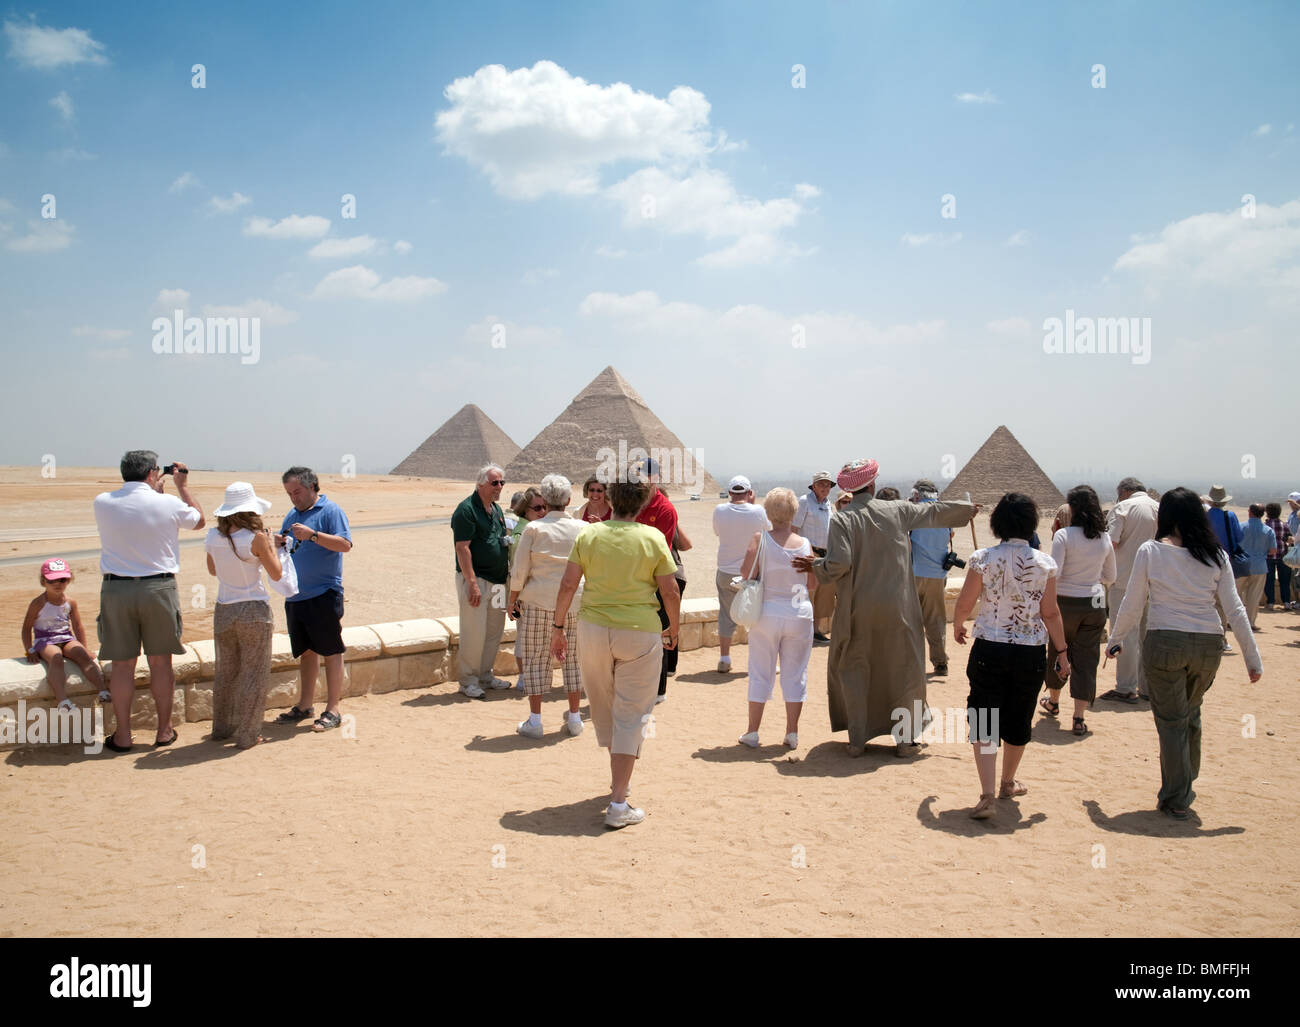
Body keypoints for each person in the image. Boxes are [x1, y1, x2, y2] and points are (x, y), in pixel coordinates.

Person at [792, 458, 975, 757]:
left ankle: (857, 739)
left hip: (858, 609)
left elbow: (839, 564)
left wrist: (816, 566)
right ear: (873, 483)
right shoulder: (898, 510)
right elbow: (932, 511)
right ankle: (905, 741)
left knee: (856, 667)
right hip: (898, 607)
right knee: (903, 669)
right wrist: (966, 510)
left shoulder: (842, 519)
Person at [1108, 487, 1263, 820]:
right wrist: (1252, 659)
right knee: (1191, 715)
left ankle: (1177, 796)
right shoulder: (1216, 555)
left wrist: (1116, 639)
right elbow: (1234, 609)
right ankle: (1184, 786)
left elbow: (1133, 603)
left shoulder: (1151, 551)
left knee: (1171, 722)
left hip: (1166, 642)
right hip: (1208, 645)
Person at [550, 478, 680, 829]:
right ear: (640, 505)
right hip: (639, 633)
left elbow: (567, 584)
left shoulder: (589, 535)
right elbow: (670, 590)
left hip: (592, 631)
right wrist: (674, 629)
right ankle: (619, 803)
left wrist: (558, 629)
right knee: (633, 713)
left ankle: (617, 783)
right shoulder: (652, 538)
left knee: (605, 709)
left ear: (608, 500)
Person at [953, 493, 1070, 819]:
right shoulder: (1045, 564)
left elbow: (966, 601)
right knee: (1020, 716)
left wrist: (959, 624)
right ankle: (1008, 782)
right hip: (1029, 652)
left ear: (998, 523)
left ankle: (987, 792)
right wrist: (1061, 652)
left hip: (989, 646)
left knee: (984, 716)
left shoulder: (982, 558)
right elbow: (1051, 613)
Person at [93, 451, 204, 752]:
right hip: (158, 588)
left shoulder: (102, 502)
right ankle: (164, 730)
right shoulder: (167, 503)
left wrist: (155, 492)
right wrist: (181, 487)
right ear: (152, 473)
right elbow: (198, 521)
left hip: (116, 590)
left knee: (122, 665)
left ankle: (123, 735)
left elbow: (135, 515)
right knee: (160, 662)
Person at [273, 467, 353, 732]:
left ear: (312, 487)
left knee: (331, 652)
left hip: (323, 593)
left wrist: (314, 535)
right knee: (306, 652)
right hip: (296, 594)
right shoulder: (292, 515)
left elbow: (344, 545)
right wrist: (278, 541)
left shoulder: (331, 511)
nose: (293, 498)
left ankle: (333, 709)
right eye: (289, 493)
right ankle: (305, 704)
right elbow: (289, 544)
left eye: (296, 491)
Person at [204, 482, 283, 749]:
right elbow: (276, 574)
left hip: (224, 608)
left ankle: (221, 728)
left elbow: (213, 570)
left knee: (225, 672)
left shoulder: (213, 537)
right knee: (254, 673)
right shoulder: (256, 538)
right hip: (253, 609)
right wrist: (269, 546)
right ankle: (248, 735)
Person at [736, 488, 816, 749]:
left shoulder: (760, 540)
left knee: (761, 671)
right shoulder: (805, 544)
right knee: (795, 674)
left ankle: (752, 731)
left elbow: (746, 572)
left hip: (767, 613)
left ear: (768, 512)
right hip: (799, 613)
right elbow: (813, 582)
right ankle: (792, 732)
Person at [508, 474, 585, 739]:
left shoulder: (534, 529)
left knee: (535, 660)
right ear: (568, 500)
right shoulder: (583, 528)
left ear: (546, 500)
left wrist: (511, 600)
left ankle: (535, 720)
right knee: (574, 660)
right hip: (575, 602)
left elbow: (519, 570)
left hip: (537, 602)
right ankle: (574, 719)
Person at [1039, 485, 1116, 737]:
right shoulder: (1104, 538)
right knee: (1086, 659)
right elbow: (1110, 576)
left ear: (1073, 508)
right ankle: (1079, 717)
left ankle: (1054, 702)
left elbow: (1055, 572)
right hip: (1094, 604)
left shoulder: (1063, 536)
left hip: (1064, 602)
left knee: (1058, 650)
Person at [452, 464, 513, 698]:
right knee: (473, 631)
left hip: (498, 581)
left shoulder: (496, 509)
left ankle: (485, 675)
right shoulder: (466, 510)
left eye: (502, 482)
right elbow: (462, 548)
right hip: (477, 579)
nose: (499, 487)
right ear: (480, 484)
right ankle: (468, 681)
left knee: (493, 632)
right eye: (495, 483)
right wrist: (472, 583)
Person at [1098, 476, 1160, 704]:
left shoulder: (1122, 508)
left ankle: (1125, 688)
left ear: (1124, 491)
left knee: (1124, 633)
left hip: (1125, 579)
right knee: (1148, 635)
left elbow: (1111, 543)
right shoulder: (1159, 508)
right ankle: (1147, 687)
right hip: (1155, 582)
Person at [634, 457, 688, 702]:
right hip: (632, 580)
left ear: (654, 477)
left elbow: (661, 550)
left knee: (659, 633)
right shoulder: (631, 503)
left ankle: (658, 690)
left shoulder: (665, 509)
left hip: (656, 580)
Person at [22, 558, 107, 712]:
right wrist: (30, 650)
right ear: (43, 581)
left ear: (69, 580)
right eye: (52, 580)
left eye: (62, 580)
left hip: (65, 637)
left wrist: (84, 647)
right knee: (56, 658)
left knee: (83, 656)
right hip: (45, 640)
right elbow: (26, 628)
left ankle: (102, 691)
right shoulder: (38, 603)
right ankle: (62, 700)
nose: (57, 584)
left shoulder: (70, 602)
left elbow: (77, 626)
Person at [712, 475, 768, 674]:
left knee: (725, 615)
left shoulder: (719, 510)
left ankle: (724, 658)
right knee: (756, 618)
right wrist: (752, 505)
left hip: (726, 571)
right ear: (749, 492)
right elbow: (766, 533)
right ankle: (758, 661)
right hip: (751, 572)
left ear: (729, 493)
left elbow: (718, 532)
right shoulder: (758, 511)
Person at [909, 479, 954, 676]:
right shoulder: (945, 514)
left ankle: (913, 664)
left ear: (918, 494)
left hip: (914, 573)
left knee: (911, 621)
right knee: (936, 620)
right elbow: (949, 536)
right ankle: (940, 662)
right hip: (937, 574)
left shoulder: (913, 512)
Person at [794, 471, 835, 641]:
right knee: (808, 592)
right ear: (814, 486)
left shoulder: (828, 504)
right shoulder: (804, 501)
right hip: (809, 554)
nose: (825, 488)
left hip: (827, 554)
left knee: (824, 594)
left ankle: (816, 631)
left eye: (828, 485)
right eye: (821, 484)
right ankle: (803, 632)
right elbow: (795, 527)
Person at [1204, 485, 1244, 652]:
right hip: (1225, 562)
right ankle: (1222, 638)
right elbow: (1239, 537)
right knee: (1224, 603)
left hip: (1205, 562)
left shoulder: (1204, 516)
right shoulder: (1230, 516)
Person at [1238, 504, 1275, 630]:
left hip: (1241, 564)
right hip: (1259, 566)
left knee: (1236, 594)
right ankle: (1250, 622)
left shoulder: (1241, 527)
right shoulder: (1268, 530)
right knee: (1254, 596)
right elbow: (1273, 550)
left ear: (1250, 512)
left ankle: (1233, 621)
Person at [1263, 501, 1292, 611]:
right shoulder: (1284, 525)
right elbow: (1289, 538)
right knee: (1285, 581)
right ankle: (1286, 603)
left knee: (1269, 580)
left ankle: (1270, 602)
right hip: (1283, 556)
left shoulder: (1265, 526)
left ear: (1267, 512)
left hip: (1268, 557)